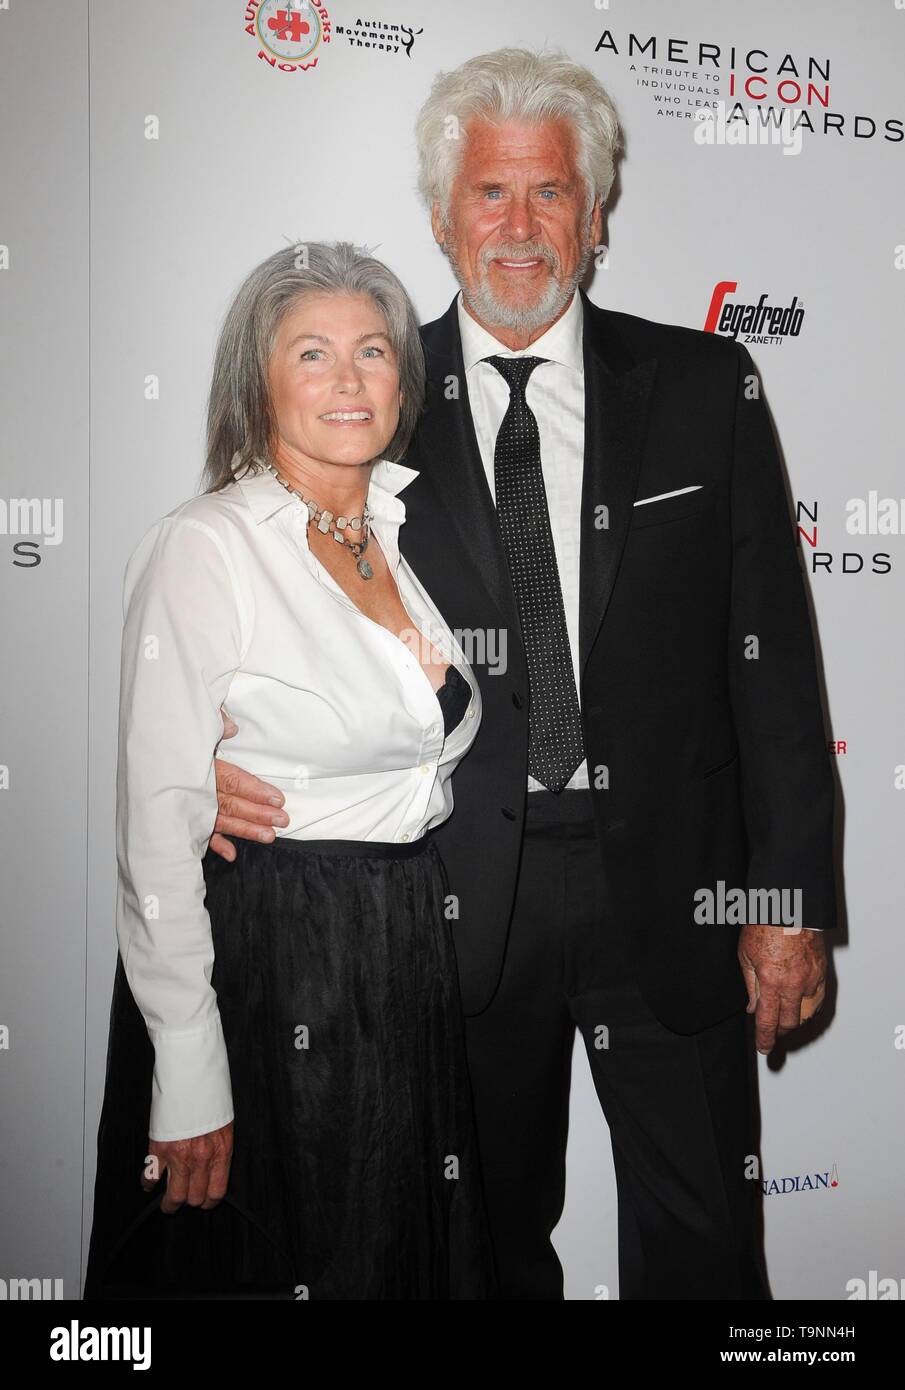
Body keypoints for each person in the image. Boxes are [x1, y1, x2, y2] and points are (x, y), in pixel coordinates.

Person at [212, 48, 837, 1301]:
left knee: (707, 1250)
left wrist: (789, 897)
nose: (516, 224)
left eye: (547, 193)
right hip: (450, 904)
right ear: (441, 218)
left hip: (677, 891)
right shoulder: (368, 403)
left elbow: (772, 669)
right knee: (479, 1260)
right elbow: (241, 588)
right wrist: (207, 760)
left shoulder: (704, 385)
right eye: (488, 194)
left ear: (594, 215)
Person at [84, 242, 496, 1300]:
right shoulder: (205, 545)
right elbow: (157, 832)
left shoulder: (397, 535)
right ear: (255, 381)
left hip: (398, 948)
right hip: (272, 955)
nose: (349, 378)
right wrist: (186, 1061)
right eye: (311, 353)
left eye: (372, 350)